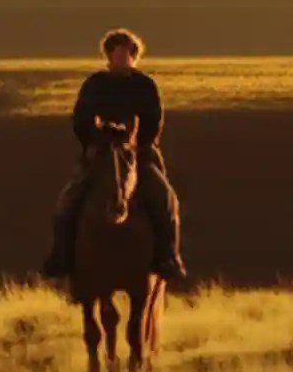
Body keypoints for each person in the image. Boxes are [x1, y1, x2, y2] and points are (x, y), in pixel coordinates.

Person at [42, 28, 188, 281]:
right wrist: (97, 139)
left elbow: (154, 120)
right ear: (109, 56)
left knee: (165, 198)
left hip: (138, 152)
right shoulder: (94, 84)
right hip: (100, 151)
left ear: (134, 56)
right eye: (117, 53)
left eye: (127, 53)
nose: (122, 58)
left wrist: (136, 143)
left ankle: (168, 257)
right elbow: (81, 118)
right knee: (68, 199)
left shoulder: (144, 85)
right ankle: (61, 256)